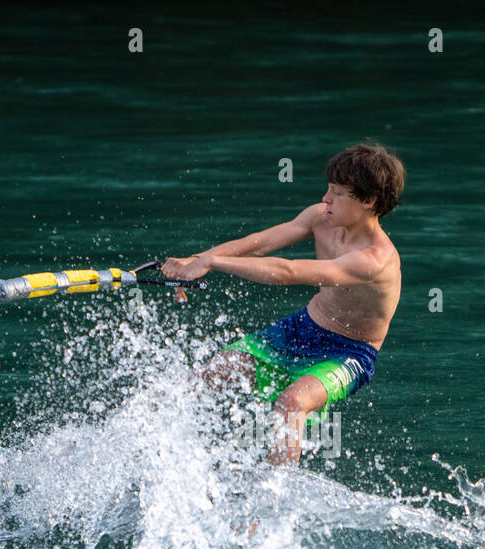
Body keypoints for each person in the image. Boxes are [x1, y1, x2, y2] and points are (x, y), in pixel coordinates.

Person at [162, 143, 404, 464]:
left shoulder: (375, 260)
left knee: (292, 404)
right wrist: (194, 261)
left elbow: (289, 272)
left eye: (337, 193)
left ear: (369, 201)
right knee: (205, 379)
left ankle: (271, 505)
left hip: (346, 354)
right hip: (299, 329)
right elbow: (261, 243)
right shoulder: (322, 217)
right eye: (327, 189)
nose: (325, 199)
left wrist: (212, 262)